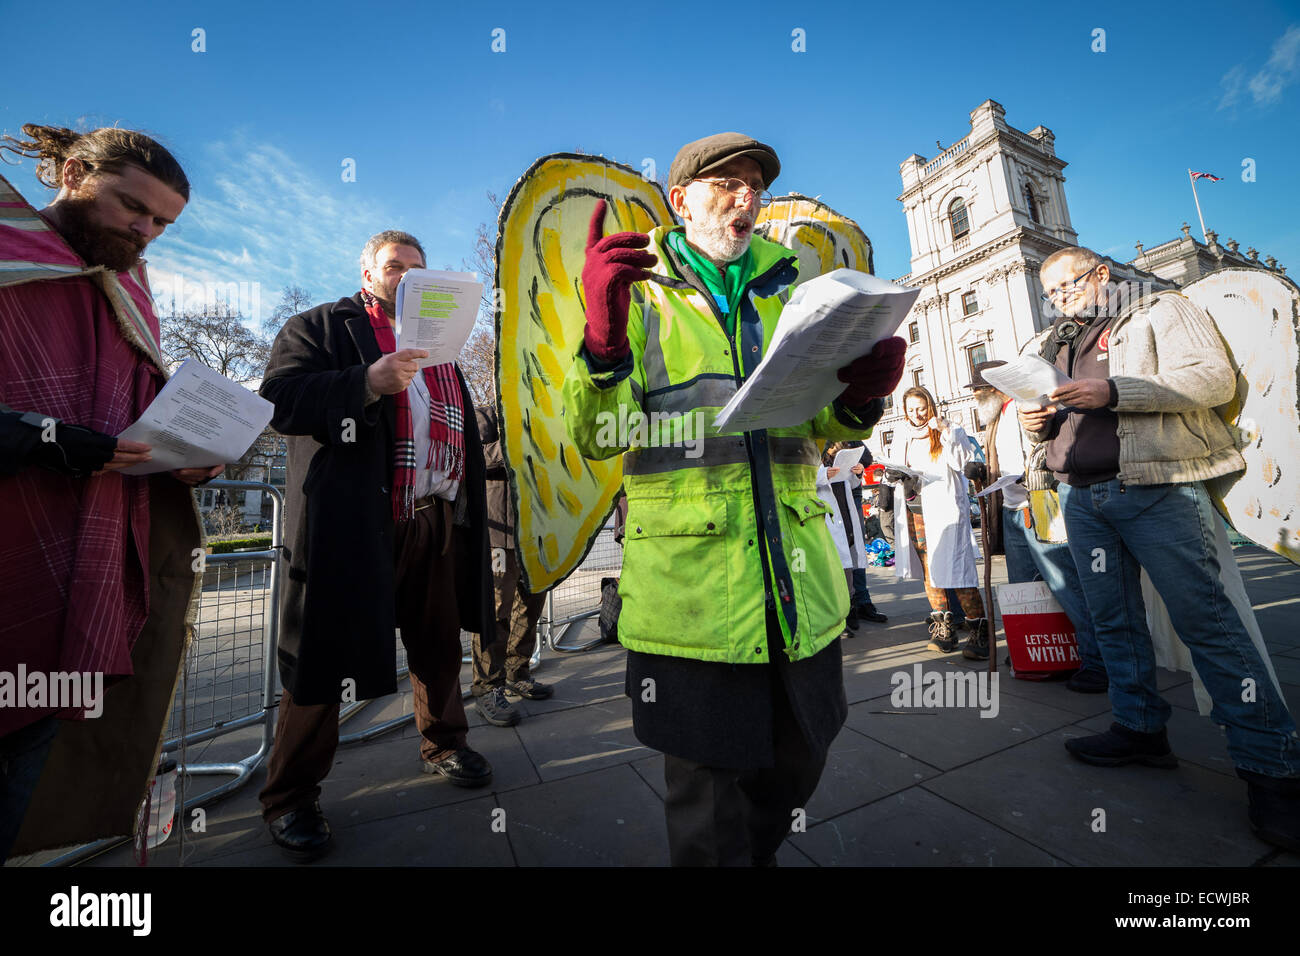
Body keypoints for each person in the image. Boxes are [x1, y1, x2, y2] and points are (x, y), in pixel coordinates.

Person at [562, 132, 905, 865]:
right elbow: (596, 435)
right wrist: (602, 341)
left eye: (755, 186)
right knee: (707, 797)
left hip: (795, 585)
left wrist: (862, 397)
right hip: (693, 596)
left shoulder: (792, 294)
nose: (745, 198)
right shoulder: (639, 291)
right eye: (725, 183)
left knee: (800, 759)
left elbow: (821, 427)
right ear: (680, 200)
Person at [1019, 244, 1300, 851]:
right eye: (1052, 295)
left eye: (1067, 287)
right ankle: (1140, 728)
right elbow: (1059, 414)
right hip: (1082, 496)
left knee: (1209, 623)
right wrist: (1039, 424)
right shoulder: (1057, 344)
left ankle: (1273, 768)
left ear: (1100, 274)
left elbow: (1211, 379)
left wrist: (1115, 391)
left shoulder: (1158, 308)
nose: (1059, 301)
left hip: (1157, 487)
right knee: (1114, 623)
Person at [0, 125, 221, 860]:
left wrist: (184, 457)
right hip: (12, 546)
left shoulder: (131, 292)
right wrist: (46, 439)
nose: (146, 231)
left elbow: (129, 416)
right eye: (133, 207)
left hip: (83, 569)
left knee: (30, 752)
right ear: (72, 173)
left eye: (161, 223)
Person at [257, 230, 495, 863]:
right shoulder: (321, 326)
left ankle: (444, 742)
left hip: (434, 517)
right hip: (353, 524)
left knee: (439, 643)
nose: (406, 279)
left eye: (418, 271)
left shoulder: (443, 349)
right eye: (395, 267)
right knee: (320, 657)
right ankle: (290, 796)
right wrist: (367, 380)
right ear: (367, 270)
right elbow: (278, 402)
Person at [964, 360, 1104, 691]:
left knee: (1063, 582)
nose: (977, 399)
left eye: (981, 392)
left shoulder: (1029, 406)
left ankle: (1096, 658)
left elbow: (1046, 449)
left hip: (1040, 503)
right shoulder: (997, 419)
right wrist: (983, 471)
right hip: (1013, 508)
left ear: (998, 389)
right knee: (1022, 586)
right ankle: (1030, 647)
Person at [885, 386, 988, 658]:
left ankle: (979, 631)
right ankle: (943, 628)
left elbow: (962, 462)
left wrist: (945, 430)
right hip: (915, 509)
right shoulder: (903, 435)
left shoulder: (950, 431)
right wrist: (895, 476)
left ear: (930, 406)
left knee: (959, 571)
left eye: (920, 408)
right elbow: (895, 466)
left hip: (943, 510)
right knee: (930, 572)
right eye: (910, 410)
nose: (916, 415)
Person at [471, 403, 553, 727]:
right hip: (498, 536)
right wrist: (516, 446)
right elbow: (473, 457)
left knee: (531, 605)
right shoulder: (487, 415)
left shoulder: (541, 417)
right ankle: (487, 687)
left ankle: (518, 671)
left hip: (533, 533)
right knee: (496, 612)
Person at [819, 442, 887, 631]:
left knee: (850, 552)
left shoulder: (848, 430)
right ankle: (842, 611)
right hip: (827, 502)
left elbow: (865, 457)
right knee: (835, 558)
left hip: (845, 497)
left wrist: (857, 471)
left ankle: (854, 605)